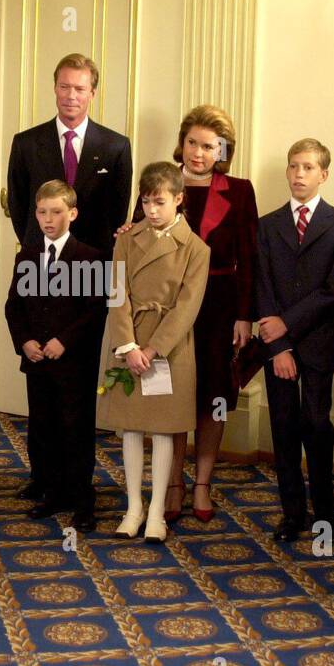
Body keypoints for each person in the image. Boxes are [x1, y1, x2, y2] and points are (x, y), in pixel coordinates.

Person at [122, 106, 258, 522]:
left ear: (222, 150)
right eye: (193, 143)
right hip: (169, 309)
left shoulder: (239, 189)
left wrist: (245, 315)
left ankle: (202, 483)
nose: (199, 153)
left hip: (218, 306)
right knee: (175, 393)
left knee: (213, 397)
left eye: (209, 146)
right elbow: (137, 235)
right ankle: (173, 485)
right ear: (182, 143)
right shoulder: (161, 183)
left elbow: (250, 257)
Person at [98, 161, 210, 544]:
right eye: (146, 202)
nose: (151, 210)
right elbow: (116, 293)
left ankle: (158, 511)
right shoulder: (127, 238)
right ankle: (133, 507)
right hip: (127, 341)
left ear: (179, 199)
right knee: (130, 426)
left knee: (163, 428)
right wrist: (128, 345)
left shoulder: (196, 249)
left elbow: (187, 307)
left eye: (160, 202)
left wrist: (153, 349)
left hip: (168, 349)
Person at [255, 139, 334, 542]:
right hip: (275, 344)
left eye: (309, 168)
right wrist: (277, 344)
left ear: (324, 175)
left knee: (316, 423)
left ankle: (326, 512)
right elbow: (261, 285)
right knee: (283, 426)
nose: (299, 174)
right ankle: (292, 513)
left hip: (318, 341)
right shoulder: (267, 224)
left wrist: (287, 326)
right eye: (294, 166)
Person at [3, 180, 108, 532]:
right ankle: (50, 489)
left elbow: (95, 312)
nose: (49, 219)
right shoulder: (27, 255)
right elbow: (14, 307)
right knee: (42, 425)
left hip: (74, 362)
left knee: (75, 427)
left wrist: (64, 340)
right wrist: (25, 341)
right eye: (43, 212)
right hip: (37, 360)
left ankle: (81, 497)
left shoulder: (89, 257)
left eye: (57, 212)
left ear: (72, 214)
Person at [6, 53, 133, 253]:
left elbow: (118, 210)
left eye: (80, 89)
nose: (71, 96)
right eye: (64, 87)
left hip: (95, 257)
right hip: (40, 256)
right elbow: (18, 205)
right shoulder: (26, 144)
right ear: (55, 88)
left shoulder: (116, 147)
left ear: (92, 93)